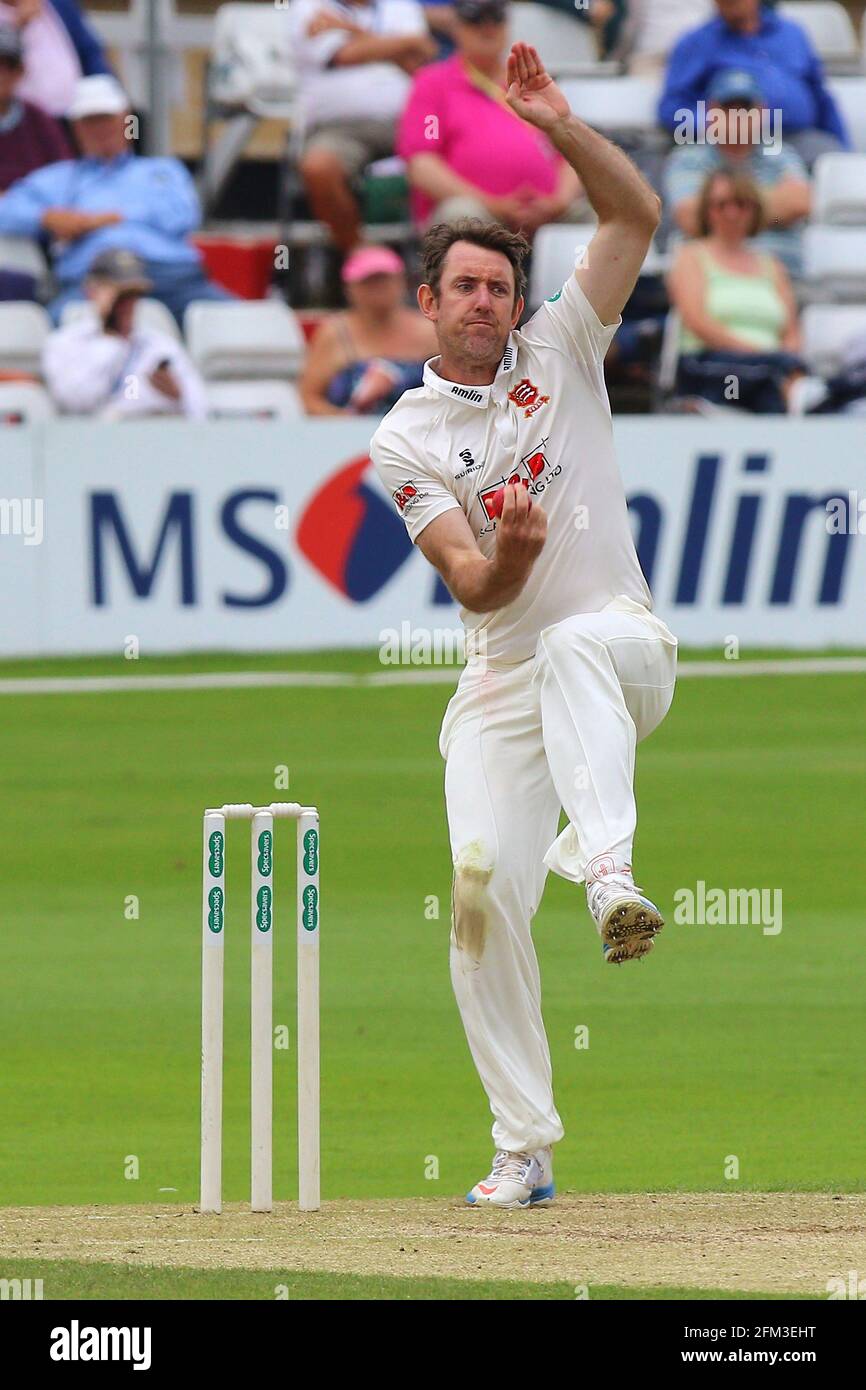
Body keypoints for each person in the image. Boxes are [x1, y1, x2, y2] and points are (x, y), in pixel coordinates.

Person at [370, 42, 677, 1209]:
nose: (486, 304)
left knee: (574, 642)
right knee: (479, 886)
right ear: (431, 301)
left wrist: (555, 121)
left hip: (623, 646)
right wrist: (511, 555)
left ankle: (606, 873)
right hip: (501, 675)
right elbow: (470, 583)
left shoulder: (564, 341)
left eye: (499, 285)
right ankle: (523, 1143)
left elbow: (636, 210)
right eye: (465, 287)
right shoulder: (403, 436)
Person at [0, 74, 233, 325]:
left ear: (127, 120)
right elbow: (7, 210)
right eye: (90, 121)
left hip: (172, 278)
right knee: (53, 330)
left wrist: (99, 220)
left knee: (246, 324)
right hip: (93, 282)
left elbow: (183, 215)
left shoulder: (163, 170)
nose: (100, 129)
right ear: (76, 128)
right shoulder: (58, 178)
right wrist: (46, 217)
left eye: (107, 118)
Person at [398, 0, 584, 236]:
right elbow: (423, 162)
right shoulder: (433, 85)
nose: (487, 27)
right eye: (475, 18)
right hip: (476, 213)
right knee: (459, 214)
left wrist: (559, 201)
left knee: (605, 217)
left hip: (550, 214)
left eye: (496, 17)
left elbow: (572, 153)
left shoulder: (532, 82)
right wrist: (492, 203)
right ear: (456, 25)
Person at [287, 0, 437, 255]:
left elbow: (421, 63)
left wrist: (347, 28)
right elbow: (344, 55)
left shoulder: (401, 5)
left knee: (453, 149)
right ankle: (364, 261)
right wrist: (406, 43)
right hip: (337, 129)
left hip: (408, 122)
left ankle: (441, 260)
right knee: (318, 167)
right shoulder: (307, 5)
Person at [667, 169, 803, 413]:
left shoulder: (772, 265)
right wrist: (760, 355)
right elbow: (696, 321)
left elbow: (791, 330)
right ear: (707, 211)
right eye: (721, 205)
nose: (731, 213)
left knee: (782, 378)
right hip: (708, 363)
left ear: (754, 211)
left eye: (741, 204)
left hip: (769, 367)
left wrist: (783, 359)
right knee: (769, 381)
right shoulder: (691, 257)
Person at [658, 0, 849, 170]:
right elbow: (672, 108)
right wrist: (718, 125)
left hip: (798, 139)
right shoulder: (696, 42)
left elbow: (821, 97)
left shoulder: (792, 33)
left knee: (834, 162)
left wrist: (845, 150)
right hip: (733, 150)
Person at [664, 69, 810, 276]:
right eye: (728, 108)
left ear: (761, 112)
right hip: (713, 278)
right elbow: (691, 218)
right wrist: (773, 215)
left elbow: (799, 202)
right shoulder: (687, 159)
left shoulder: (781, 155)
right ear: (711, 112)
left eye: (745, 108)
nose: (737, 116)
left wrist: (723, 209)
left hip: (784, 275)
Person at [42, 248, 208, 419]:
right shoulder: (65, 343)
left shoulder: (160, 345)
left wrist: (177, 395)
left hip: (155, 434)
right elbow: (74, 402)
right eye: (120, 295)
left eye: (133, 295)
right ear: (92, 291)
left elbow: (200, 410)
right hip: (97, 438)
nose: (127, 304)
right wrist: (113, 339)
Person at [299, 244, 437, 415]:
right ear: (349, 288)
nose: (378, 288)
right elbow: (308, 398)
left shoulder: (429, 330)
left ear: (401, 282)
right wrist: (343, 422)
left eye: (384, 279)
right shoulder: (335, 332)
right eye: (368, 282)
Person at [0, 0, 112, 118]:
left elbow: (90, 54)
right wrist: (18, 25)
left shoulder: (58, 4)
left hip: (75, 116)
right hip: (22, 125)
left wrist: (108, 94)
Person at [0, 23, 71, 193]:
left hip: (34, 214)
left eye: (9, 66)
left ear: (21, 71)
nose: (1, 75)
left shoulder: (39, 119)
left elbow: (65, 178)